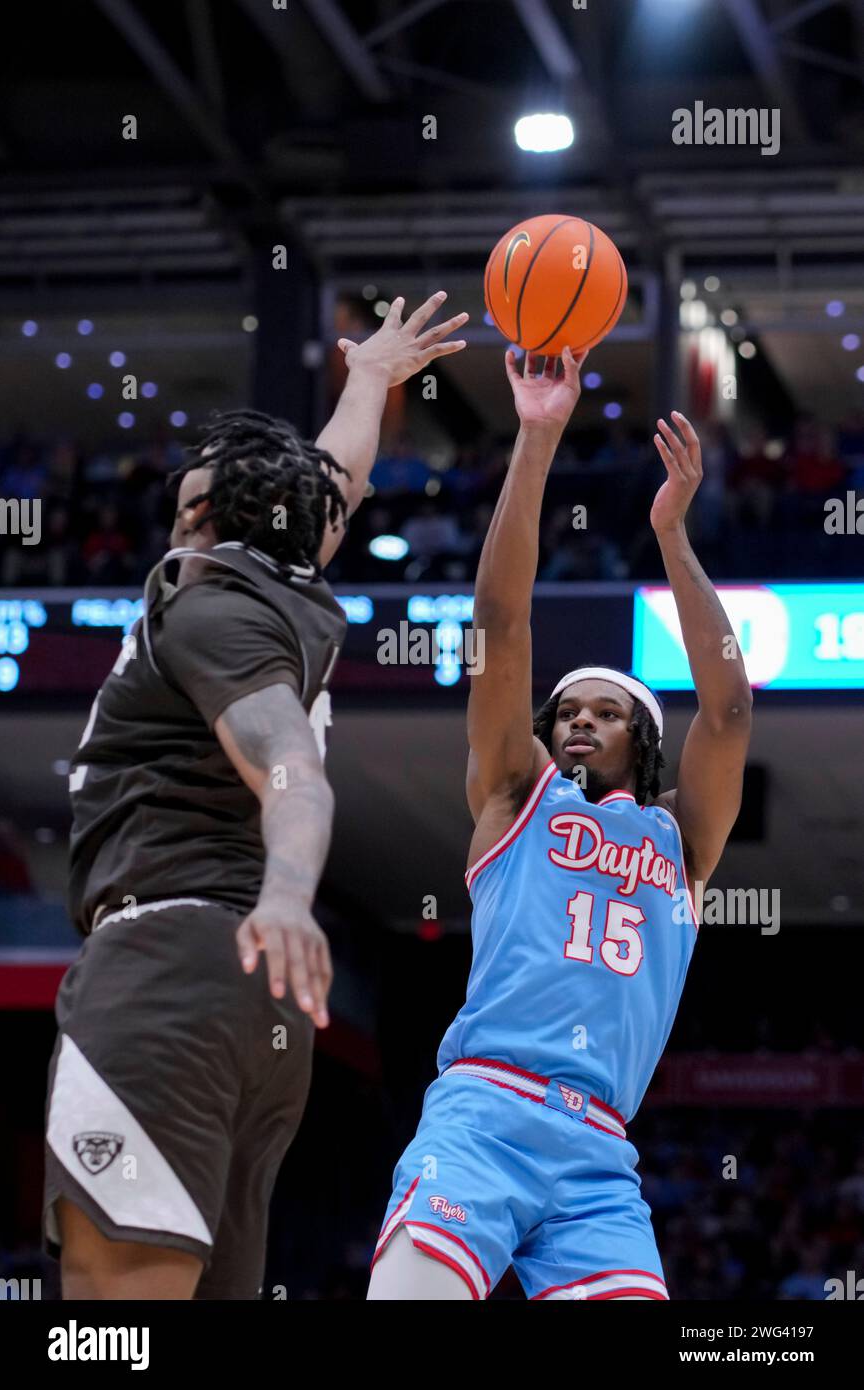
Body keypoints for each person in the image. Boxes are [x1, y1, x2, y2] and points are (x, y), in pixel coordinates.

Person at [43, 291, 468, 1301]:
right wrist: (366, 381)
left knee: (108, 1326)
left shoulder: (205, 611)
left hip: (165, 974)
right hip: (252, 1009)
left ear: (197, 520)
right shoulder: (287, 582)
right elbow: (338, 480)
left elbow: (290, 768)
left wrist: (287, 894)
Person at [368, 346, 752, 1301]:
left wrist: (672, 537)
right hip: (485, 1114)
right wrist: (537, 436)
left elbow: (731, 708)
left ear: (642, 741)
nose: (578, 716)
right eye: (566, 708)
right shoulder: (515, 795)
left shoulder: (683, 841)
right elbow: (498, 619)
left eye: (605, 710)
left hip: (597, 1156)